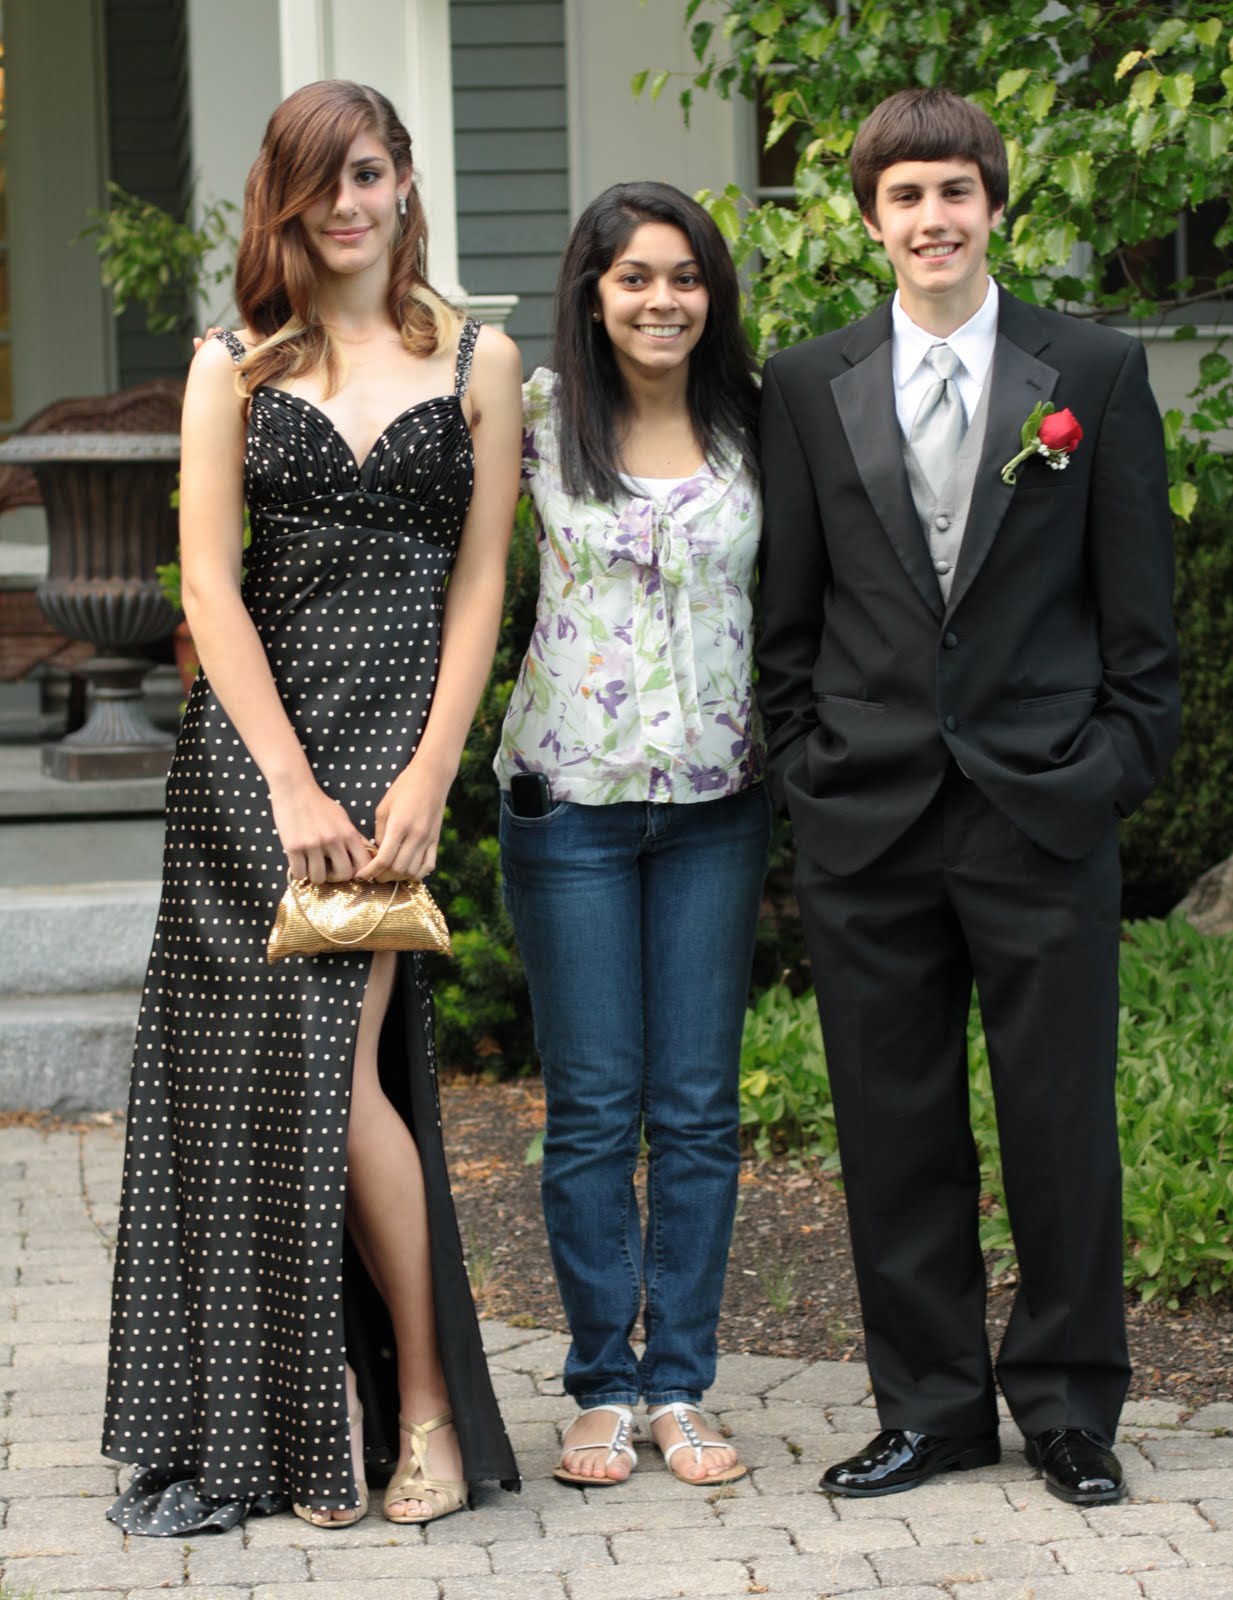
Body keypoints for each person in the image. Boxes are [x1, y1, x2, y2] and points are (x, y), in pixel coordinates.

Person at [102, 79, 522, 1535]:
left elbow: (481, 581)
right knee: (262, 1090)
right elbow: (209, 584)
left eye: (366, 174)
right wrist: (282, 780)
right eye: (315, 185)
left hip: (391, 756)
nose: (344, 205)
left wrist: (429, 772)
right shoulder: (232, 364)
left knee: (340, 1080)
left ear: (405, 182)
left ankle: (416, 1405)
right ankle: (305, 1424)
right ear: (283, 206)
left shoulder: (480, 358)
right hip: (252, 770)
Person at [757, 88, 1179, 1505]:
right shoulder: (805, 383)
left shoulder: (1093, 373)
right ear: (866, 218)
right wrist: (807, 767)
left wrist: (1109, 767)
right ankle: (930, 1408)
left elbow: (1140, 619)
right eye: (902, 198)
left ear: (995, 204)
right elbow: (787, 616)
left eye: (953, 192)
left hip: (1039, 809)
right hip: (865, 818)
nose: (930, 219)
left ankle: (1066, 1405)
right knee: (891, 1127)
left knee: (1057, 1120)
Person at [495, 182, 769, 1488]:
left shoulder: (759, 428)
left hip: (718, 808)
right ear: (592, 295)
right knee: (597, 1111)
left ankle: (682, 1389)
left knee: (699, 1111)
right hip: (572, 812)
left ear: (710, 294)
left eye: (684, 277)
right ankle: (601, 1384)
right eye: (633, 278)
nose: (661, 300)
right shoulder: (536, 425)